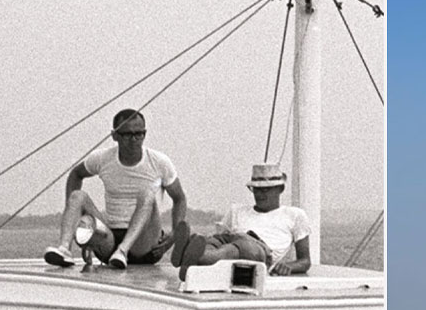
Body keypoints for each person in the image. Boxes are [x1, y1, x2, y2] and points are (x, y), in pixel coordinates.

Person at [45, 108, 189, 270]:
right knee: (78, 196)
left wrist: (175, 234)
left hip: (143, 244)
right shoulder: (102, 158)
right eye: (127, 135)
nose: (134, 139)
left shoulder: (159, 161)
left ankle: (123, 250)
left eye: (139, 134)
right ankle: (64, 248)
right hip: (110, 238)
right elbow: (76, 174)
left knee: (146, 193)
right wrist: (76, 218)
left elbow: (179, 198)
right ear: (115, 136)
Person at [173, 163, 313, 275]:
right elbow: (220, 237)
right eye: (256, 189)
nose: (259, 194)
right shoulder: (237, 210)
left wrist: (288, 266)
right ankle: (191, 255)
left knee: (232, 250)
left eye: (265, 190)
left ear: (280, 189)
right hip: (233, 237)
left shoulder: (295, 215)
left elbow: (305, 260)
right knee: (212, 242)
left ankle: (194, 258)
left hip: (259, 249)